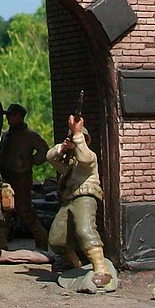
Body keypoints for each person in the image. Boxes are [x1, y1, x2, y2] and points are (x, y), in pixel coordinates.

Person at [46, 114, 113, 288]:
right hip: (69, 199)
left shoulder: (89, 158)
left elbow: (84, 158)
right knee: (56, 239)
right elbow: (50, 157)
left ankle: (101, 269)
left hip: (85, 196)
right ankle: (75, 265)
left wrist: (77, 135)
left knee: (85, 230)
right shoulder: (69, 163)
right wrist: (63, 147)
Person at [0, 104, 49, 250]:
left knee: (24, 210)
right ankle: (1, 242)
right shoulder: (6, 135)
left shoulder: (29, 136)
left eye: (11, 115)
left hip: (21, 178)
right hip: (5, 177)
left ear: (19, 116)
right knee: (5, 209)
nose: (8, 118)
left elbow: (44, 152)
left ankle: (41, 238)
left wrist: (29, 161)